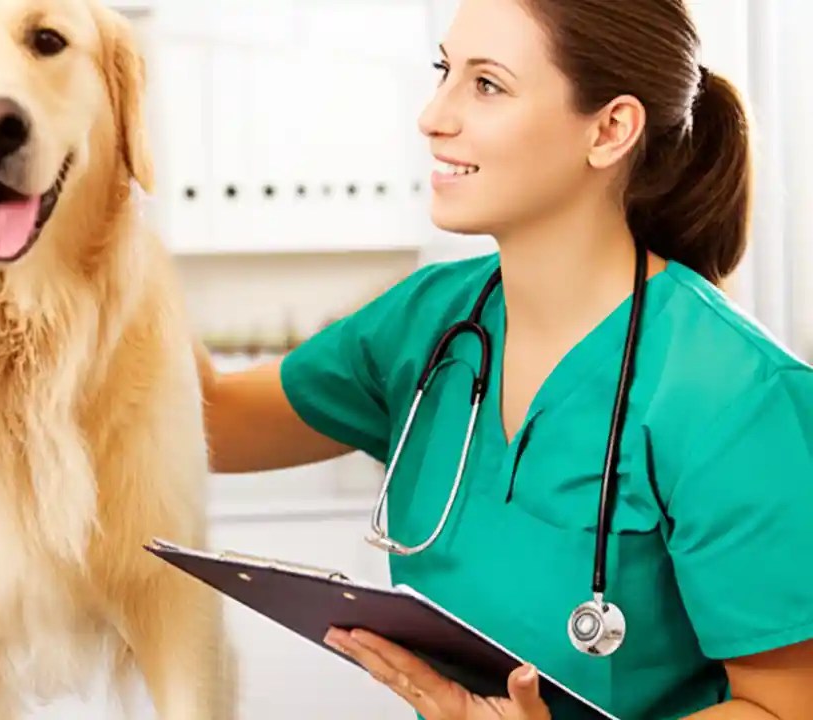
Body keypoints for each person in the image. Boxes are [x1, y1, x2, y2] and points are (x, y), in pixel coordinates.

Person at [193, 0, 813, 718]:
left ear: (610, 129)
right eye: (444, 71)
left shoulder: (736, 394)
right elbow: (209, 422)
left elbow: (787, 706)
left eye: (486, 85)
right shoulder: (430, 321)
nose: (433, 115)